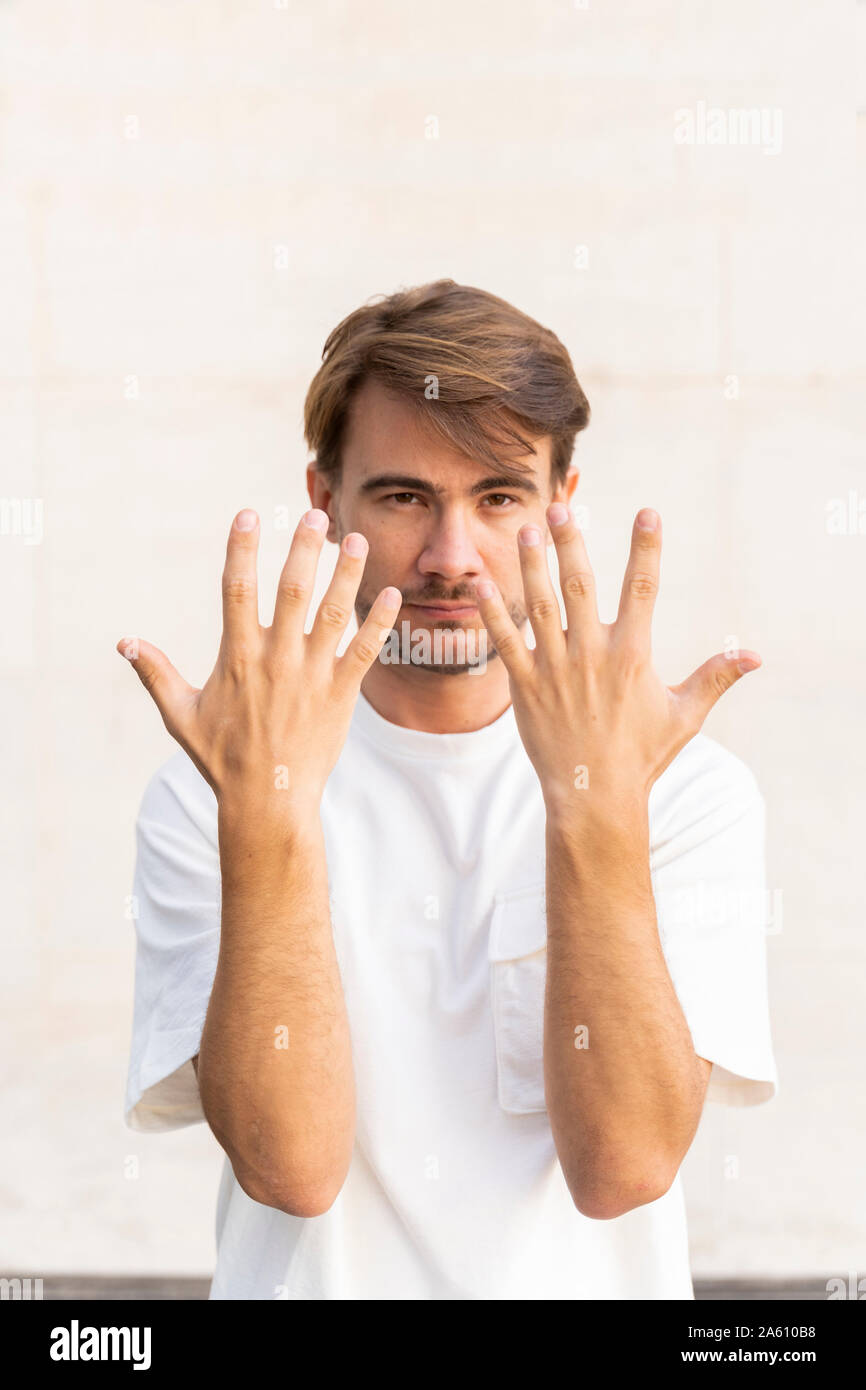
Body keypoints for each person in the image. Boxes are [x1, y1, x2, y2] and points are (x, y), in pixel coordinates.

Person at [119, 279, 778, 1300]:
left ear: (561, 504)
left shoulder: (686, 791)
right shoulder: (213, 790)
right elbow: (290, 1167)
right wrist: (271, 815)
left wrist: (593, 807)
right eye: (402, 497)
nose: (448, 558)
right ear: (323, 498)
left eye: (497, 497)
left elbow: (625, 1168)